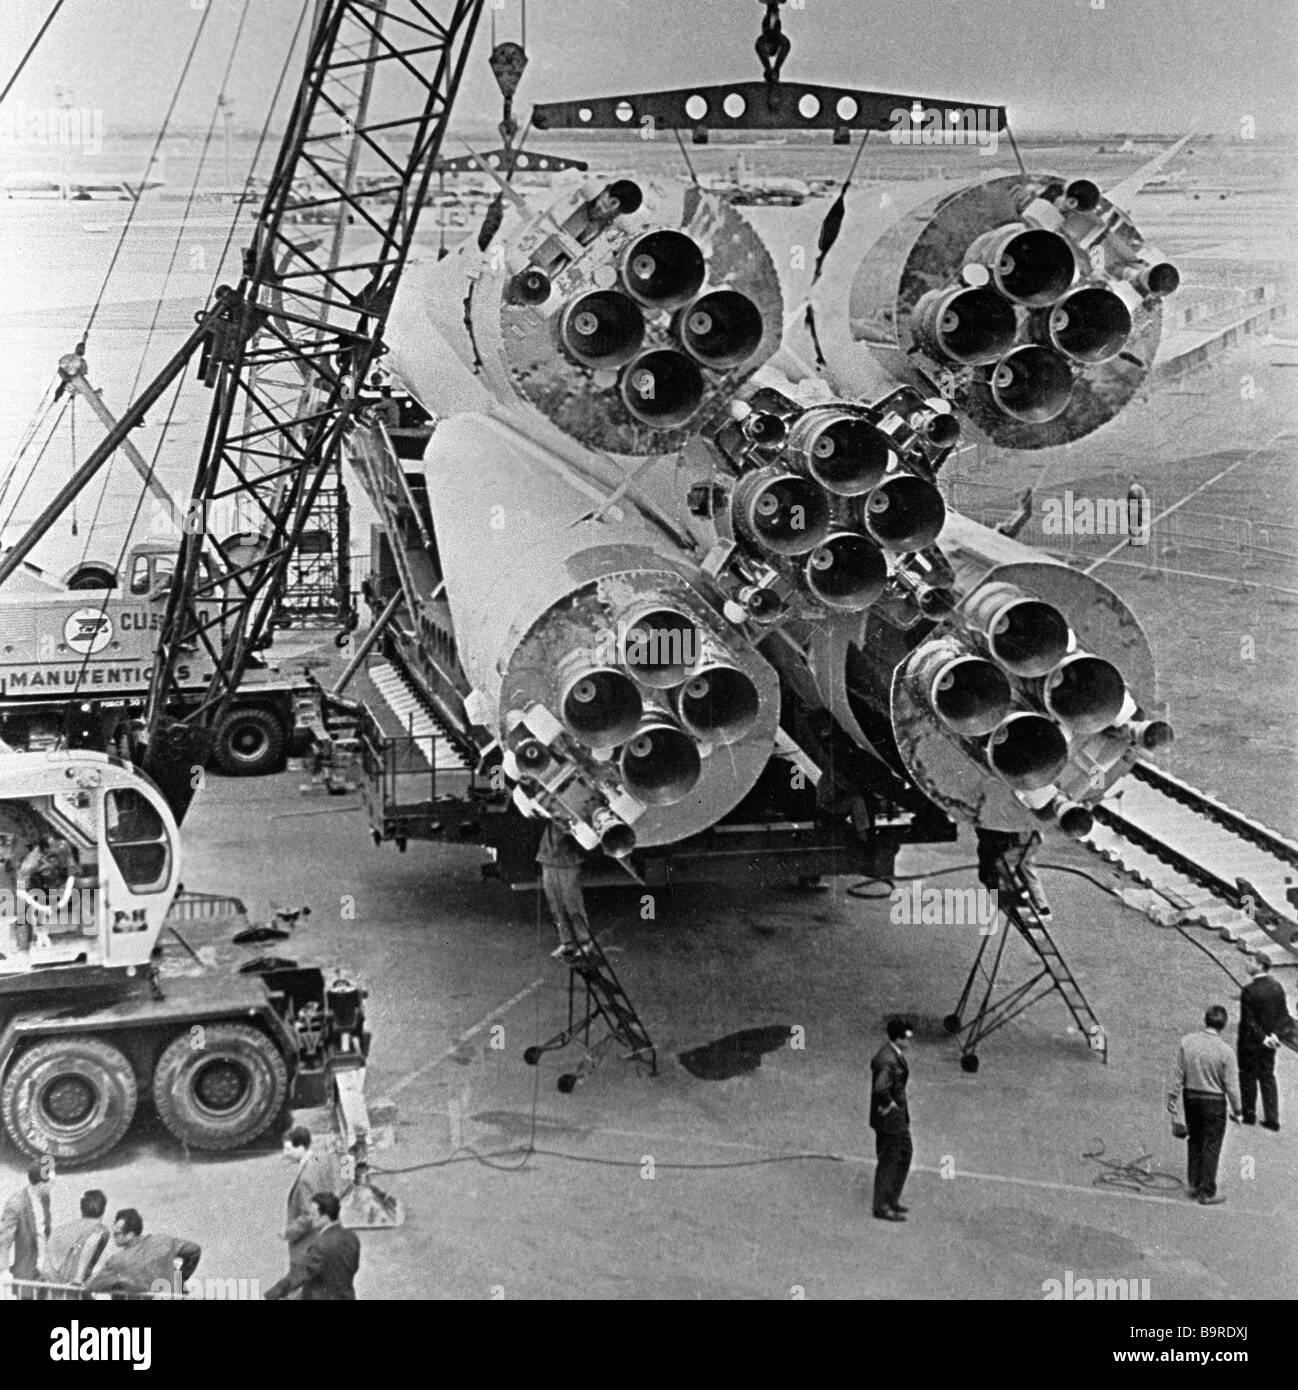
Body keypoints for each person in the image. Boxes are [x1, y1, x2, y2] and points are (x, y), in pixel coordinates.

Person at [1168, 1005, 1243, 1205]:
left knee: (1195, 1139)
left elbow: (1177, 1075)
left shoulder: (1187, 1042)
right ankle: (1207, 1191)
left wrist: (1173, 1102)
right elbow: (1231, 1086)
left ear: (1205, 1020)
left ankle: (1193, 1183)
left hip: (1191, 1096)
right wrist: (1238, 1110)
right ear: (1223, 1025)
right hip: (1214, 1101)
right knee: (1212, 1144)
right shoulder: (1226, 1052)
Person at [265, 1193, 360, 1301]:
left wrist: (270, 1295)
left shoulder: (319, 1245)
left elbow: (297, 1276)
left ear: (324, 1217)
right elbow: (353, 1267)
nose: (309, 1218)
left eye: (312, 1214)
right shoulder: (352, 1238)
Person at [84, 1209, 201, 1295]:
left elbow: (90, 1285)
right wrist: (179, 1279)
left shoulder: (118, 1260)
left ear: (130, 1235)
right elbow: (194, 1250)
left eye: (117, 1234)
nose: (113, 1236)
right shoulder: (163, 1240)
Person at [1238, 957, 1293, 1131]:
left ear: (1260, 965)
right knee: (1268, 1077)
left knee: (1248, 1077)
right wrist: (1275, 1036)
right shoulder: (1277, 988)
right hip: (1270, 1042)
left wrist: (1262, 1037)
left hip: (1250, 1042)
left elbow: (1249, 1020)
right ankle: (1272, 1118)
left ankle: (1249, 1115)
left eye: (1251, 961)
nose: (1247, 963)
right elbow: (1284, 1016)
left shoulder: (1249, 990)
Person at [281, 1126, 339, 1287]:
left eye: (288, 1149)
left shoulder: (306, 1179)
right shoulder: (321, 1158)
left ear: (300, 1148)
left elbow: (310, 1216)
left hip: (309, 1244)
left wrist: (289, 1232)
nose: (285, 1154)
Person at [869, 1018, 915, 1222]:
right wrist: (890, 1105)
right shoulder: (887, 1060)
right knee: (889, 1160)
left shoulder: (892, 1054)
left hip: (897, 1119)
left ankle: (891, 1198)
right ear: (899, 1037)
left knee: (905, 1153)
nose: (910, 1040)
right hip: (891, 1120)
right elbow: (880, 1088)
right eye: (907, 1036)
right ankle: (882, 1206)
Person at [535, 821, 593, 960]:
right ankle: (567, 941)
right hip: (548, 858)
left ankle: (584, 942)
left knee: (572, 903)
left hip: (568, 860)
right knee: (555, 904)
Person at [976, 825, 1050, 920]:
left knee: (1001, 863)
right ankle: (1042, 908)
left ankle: (1021, 891)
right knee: (1027, 871)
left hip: (1026, 839)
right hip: (1031, 838)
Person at [0, 1162, 53, 1291]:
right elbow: (4, 1241)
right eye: (51, 1182)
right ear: (41, 1184)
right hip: (26, 1273)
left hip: (45, 1272)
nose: (53, 1185)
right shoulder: (16, 1203)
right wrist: (4, 1270)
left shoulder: (45, 1199)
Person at [42, 1189, 110, 1287]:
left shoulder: (59, 1230)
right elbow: (93, 1240)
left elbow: (47, 1268)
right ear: (103, 1211)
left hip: (50, 1291)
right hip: (72, 1291)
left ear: (81, 1208)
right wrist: (79, 1277)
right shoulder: (99, 1229)